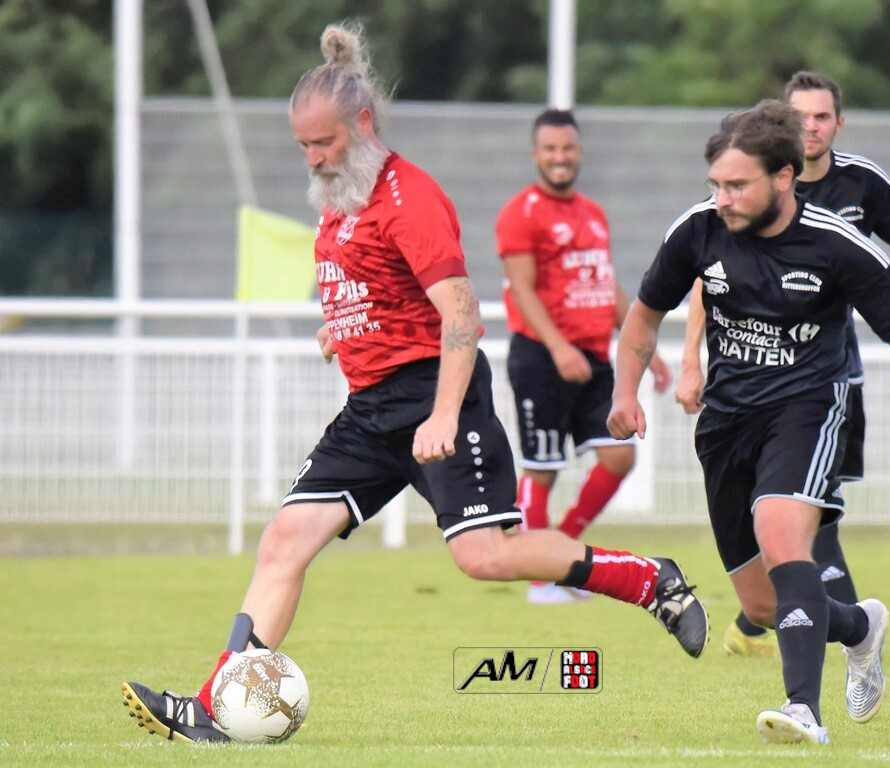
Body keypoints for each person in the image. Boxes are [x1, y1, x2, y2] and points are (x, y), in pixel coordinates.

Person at [119, 21, 708, 745]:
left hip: (437, 392)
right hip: (371, 409)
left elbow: (460, 312)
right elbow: (374, 286)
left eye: (324, 143)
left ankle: (651, 581)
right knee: (283, 542)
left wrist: (443, 413)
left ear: (362, 124)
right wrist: (345, 326)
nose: (313, 158)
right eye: (303, 146)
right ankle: (215, 707)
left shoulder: (409, 196)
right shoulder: (339, 197)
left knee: (484, 556)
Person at [609, 100, 890, 745]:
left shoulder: (838, 246)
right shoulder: (698, 231)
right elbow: (644, 317)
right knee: (762, 604)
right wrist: (626, 391)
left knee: (781, 529)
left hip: (808, 409)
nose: (723, 198)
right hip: (726, 422)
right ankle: (860, 627)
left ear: (784, 177)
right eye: (716, 185)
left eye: (738, 186)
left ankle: (802, 713)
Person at [675, 70, 890, 659]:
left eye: (821, 116)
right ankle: (792, 618)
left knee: (812, 520)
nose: (810, 127)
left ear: (838, 123)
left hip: (826, 381)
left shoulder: (861, 185)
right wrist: (691, 359)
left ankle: (803, 639)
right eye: (800, 117)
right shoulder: (745, 191)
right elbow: (707, 280)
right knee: (796, 524)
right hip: (744, 386)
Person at [495, 108, 672, 604]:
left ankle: (565, 548)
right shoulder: (520, 213)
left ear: (579, 153)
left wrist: (646, 350)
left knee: (619, 455)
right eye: (550, 149)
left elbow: (604, 284)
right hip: (542, 357)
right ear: (536, 155)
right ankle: (538, 576)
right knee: (542, 468)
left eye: (567, 148)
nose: (559, 157)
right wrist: (557, 347)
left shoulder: (592, 213)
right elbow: (523, 291)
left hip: (593, 358)